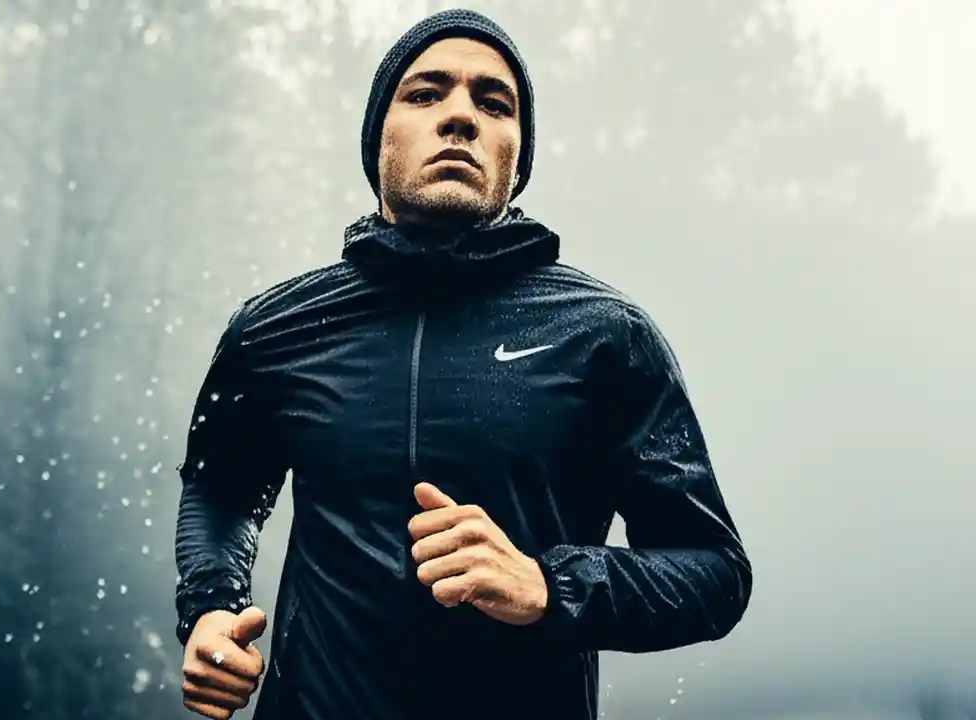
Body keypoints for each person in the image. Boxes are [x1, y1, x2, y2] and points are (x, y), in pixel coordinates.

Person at [173, 8, 752, 720]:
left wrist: (548, 587)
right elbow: (222, 490)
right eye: (425, 94)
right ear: (377, 137)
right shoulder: (277, 328)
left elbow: (715, 574)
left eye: (493, 102)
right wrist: (210, 608)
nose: (460, 117)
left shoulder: (607, 336)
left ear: (517, 152)